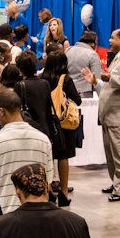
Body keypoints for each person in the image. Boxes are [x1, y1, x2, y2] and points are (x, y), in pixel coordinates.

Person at [81, 29, 120, 202]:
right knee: (112, 155)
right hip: (111, 115)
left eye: (112, 38)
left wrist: (110, 79)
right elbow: (110, 84)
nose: (109, 40)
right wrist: (95, 82)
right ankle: (116, 183)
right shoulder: (118, 57)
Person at [0, 91, 55, 213]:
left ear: (2, 111)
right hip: (40, 215)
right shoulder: (43, 140)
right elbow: (48, 182)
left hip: (7, 214)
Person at [41, 50, 82, 206]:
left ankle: (49, 190)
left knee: (48, 157)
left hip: (47, 122)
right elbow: (77, 101)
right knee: (63, 157)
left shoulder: (42, 78)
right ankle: (63, 193)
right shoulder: (66, 80)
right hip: (64, 123)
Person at [66, 31, 101, 99]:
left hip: (68, 92)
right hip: (84, 94)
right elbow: (96, 78)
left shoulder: (68, 51)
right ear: (93, 43)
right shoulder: (92, 55)